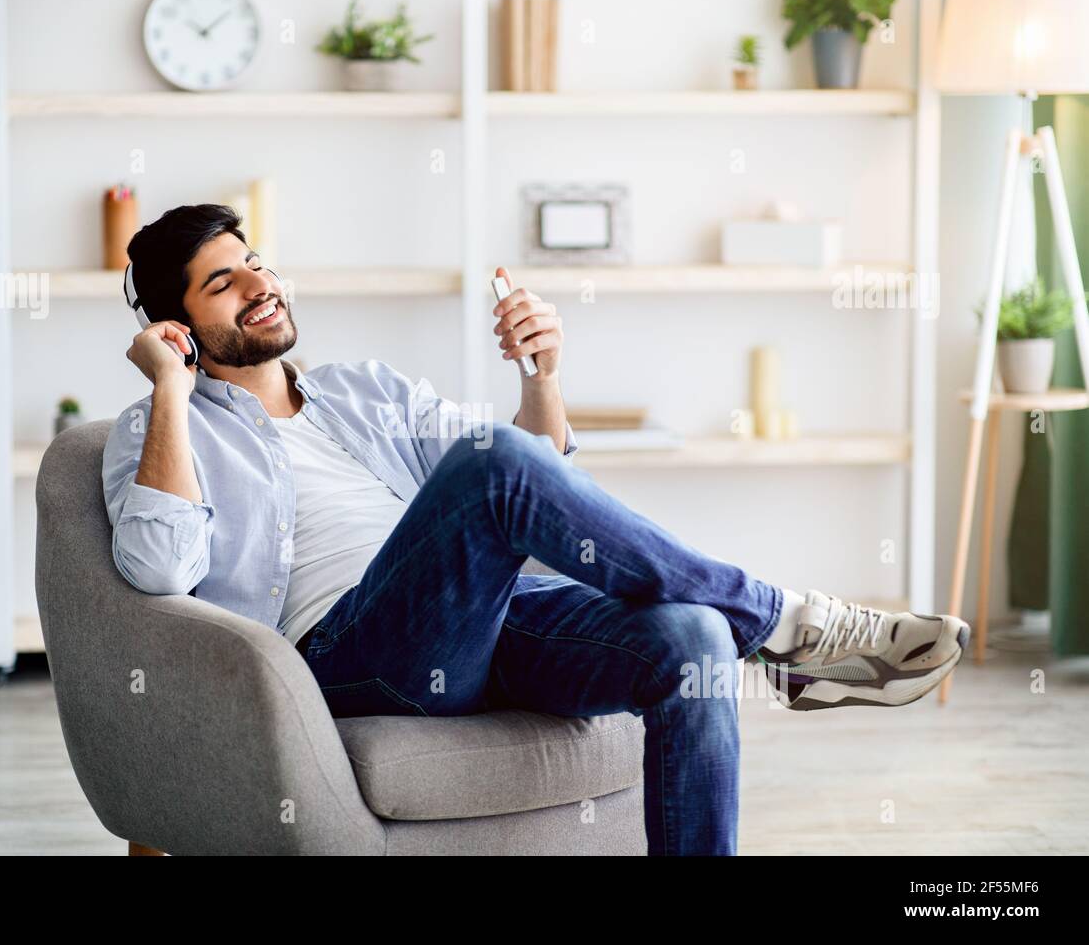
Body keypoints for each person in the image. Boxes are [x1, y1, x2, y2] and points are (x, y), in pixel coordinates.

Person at [102, 203, 970, 855]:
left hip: (498, 615)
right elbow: (157, 569)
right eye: (224, 282)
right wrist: (172, 390)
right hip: (356, 657)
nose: (260, 285)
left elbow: (536, 482)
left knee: (696, 638)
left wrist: (542, 379)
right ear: (176, 328)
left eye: (256, 263)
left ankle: (750, 629)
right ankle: (787, 625)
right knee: (483, 465)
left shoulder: (365, 386)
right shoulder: (157, 431)